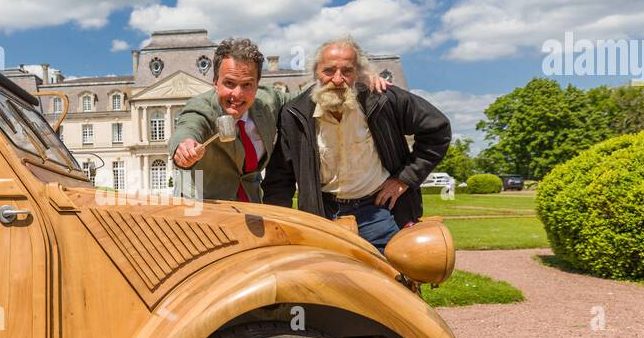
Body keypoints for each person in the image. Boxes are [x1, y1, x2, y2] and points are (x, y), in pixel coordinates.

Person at [264, 36, 451, 252]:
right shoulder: (294, 113)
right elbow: (279, 177)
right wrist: (279, 226)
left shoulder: (382, 99)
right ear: (316, 72)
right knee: (327, 280)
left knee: (390, 277)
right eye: (329, 71)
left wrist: (405, 178)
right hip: (322, 213)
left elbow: (438, 129)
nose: (337, 79)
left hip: (378, 210)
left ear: (358, 74)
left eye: (347, 71)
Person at [170, 37, 387, 202]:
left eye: (247, 85)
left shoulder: (269, 100)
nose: (237, 94)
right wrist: (184, 147)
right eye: (229, 84)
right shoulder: (201, 108)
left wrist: (356, 79)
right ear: (215, 82)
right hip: (201, 203)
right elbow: (189, 126)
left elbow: (310, 98)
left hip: (250, 201)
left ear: (258, 84)